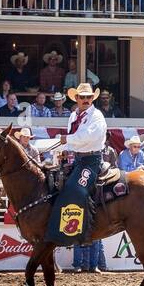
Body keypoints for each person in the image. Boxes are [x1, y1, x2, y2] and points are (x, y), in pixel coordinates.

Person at [51, 81, 107, 243]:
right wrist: (65, 148)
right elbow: (75, 140)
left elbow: (86, 137)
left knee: (76, 189)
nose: (86, 100)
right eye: (82, 97)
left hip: (92, 160)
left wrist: (65, 140)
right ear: (76, 98)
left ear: (92, 98)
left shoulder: (96, 116)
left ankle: (87, 228)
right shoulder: (74, 115)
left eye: (89, 97)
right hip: (79, 158)